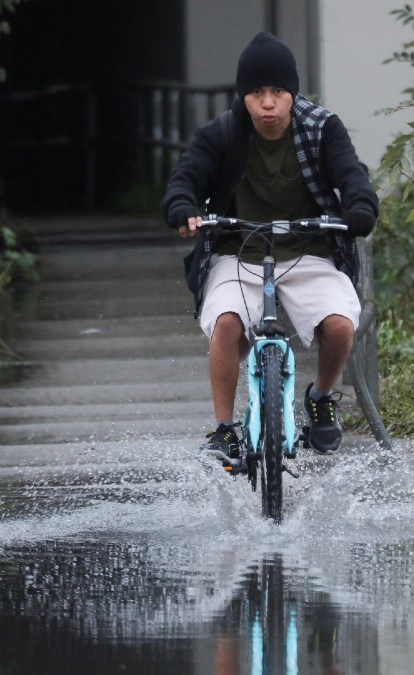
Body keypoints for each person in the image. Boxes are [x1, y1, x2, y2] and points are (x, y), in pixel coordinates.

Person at [161, 31, 379, 459]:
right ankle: (225, 428)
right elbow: (186, 179)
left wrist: (358, 208)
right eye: (256, 92)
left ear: (291, 94)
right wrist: (182, 207)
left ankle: (320, 397)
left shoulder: (322, 128)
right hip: (238, 251)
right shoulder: (222, 134)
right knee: (226, 323)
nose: (267, 103)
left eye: (278, 91)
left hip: (308, 250)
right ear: (243, 96)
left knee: (340, 325)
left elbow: (352, 177)